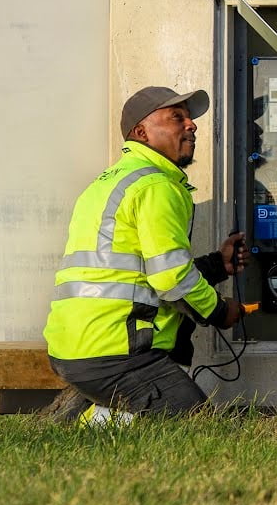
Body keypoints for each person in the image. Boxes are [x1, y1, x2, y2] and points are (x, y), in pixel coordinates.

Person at [45, 86, 249, 416]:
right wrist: (219, 311)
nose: (192, 125)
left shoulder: (109, 182)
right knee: (200, 430)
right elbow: (170, 279)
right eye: (176, 118)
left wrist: (217, 265)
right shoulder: (157, 186)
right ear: (141, 132)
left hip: (74, 346)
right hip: (118, 351)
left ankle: (89, 413)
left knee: (142, 419)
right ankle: (92, 413)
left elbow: (139, 271)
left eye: (189, 118)